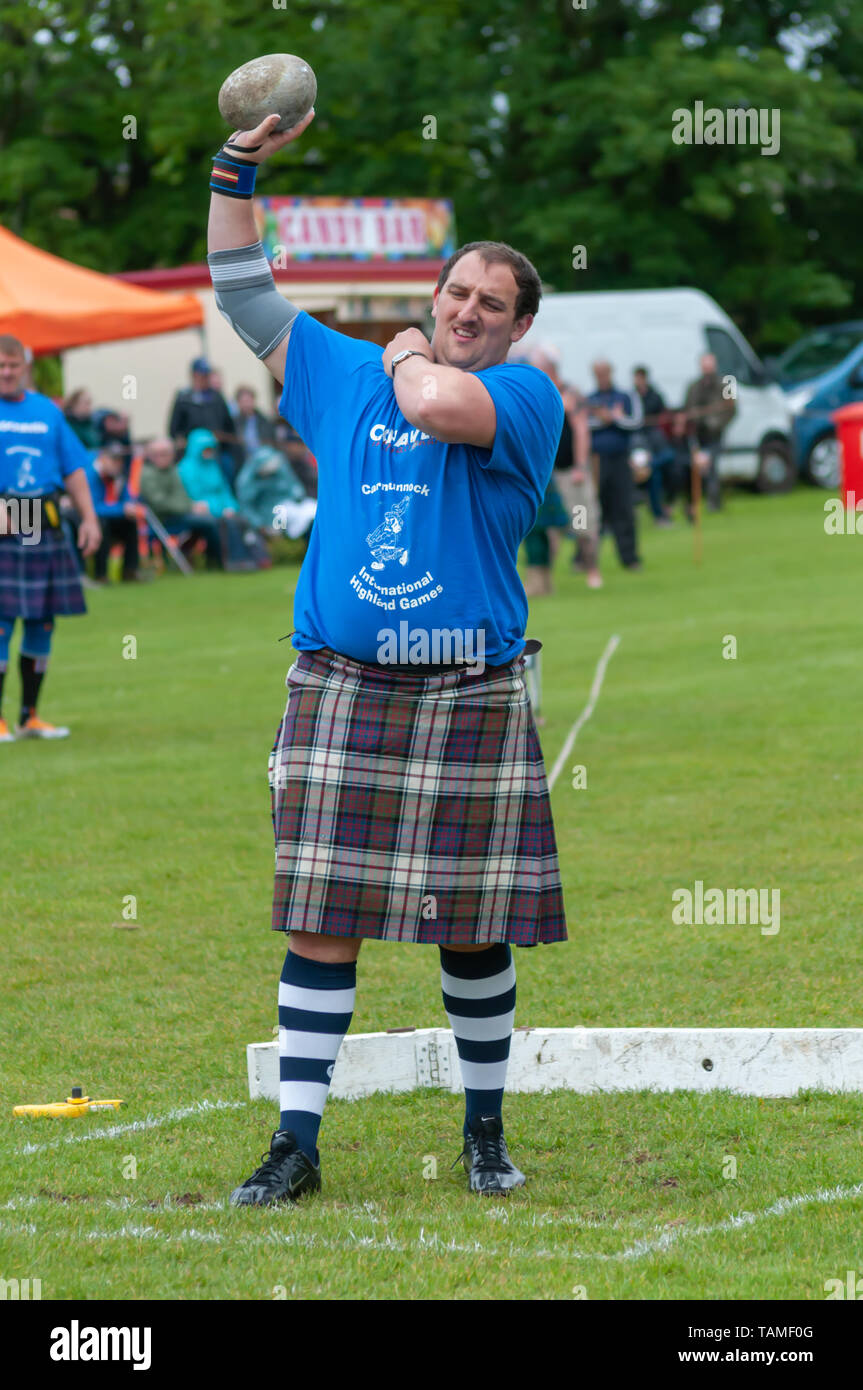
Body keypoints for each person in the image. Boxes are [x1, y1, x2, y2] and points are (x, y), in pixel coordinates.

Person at [207, 109, 567, 1204]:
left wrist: (405, 349)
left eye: (488, 305)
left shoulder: (517, 395)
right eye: (455, 292)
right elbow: (239, 286)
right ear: (435, 293)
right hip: (341, 682)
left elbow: (431, 398)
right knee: (320, 919)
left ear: (512, 329)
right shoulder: (336, 371)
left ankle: (484, 1132)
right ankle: (296, 1145)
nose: (466, 311)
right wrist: (238, 167)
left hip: (467, 688)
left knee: (473, 930)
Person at [0, 335, 100, 740]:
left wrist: (90, 519)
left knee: (42, 622)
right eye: (0, 366)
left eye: (13, 365)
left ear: (26, 366)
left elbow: (74, 468)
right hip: (5, 515)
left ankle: (30, 716)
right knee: (2, 623)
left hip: (43, 516)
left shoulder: (48, 412)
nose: (6, 372)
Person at [526, 345, 601, 592]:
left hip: (571, 472)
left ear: (548, 368)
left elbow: (581, 431)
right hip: (548, 475)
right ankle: (545, 581)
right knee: (549, 528)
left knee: (582, 525)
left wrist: (580, 466)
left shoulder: (570, 395)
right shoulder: (540, 395)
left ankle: (592, 570)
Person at [586, 360, 643, 570]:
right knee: (590, 509)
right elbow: (582, 424)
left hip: (620, 459)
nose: (602, 377)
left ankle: (630, 558)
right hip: (596, 461)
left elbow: (636, 421)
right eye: (597, 373)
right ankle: (585, 558)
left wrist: (613, 418)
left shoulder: (625, 396)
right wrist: (604, 419)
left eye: (604, 373)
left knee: (624, 508)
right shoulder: (590, 399)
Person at [137, 436, 223, 569]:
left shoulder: (173, 470)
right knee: (209, 522)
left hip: (178, 514)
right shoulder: (148, 474)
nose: (161, 458)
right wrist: (189, 507)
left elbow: (182, 495)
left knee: (212, 518)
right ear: (150, 456)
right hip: (162, 518)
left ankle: (190, 552)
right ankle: (215, 561)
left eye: (165, 454)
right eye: (157, 454)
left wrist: (193, 505)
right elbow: (160, 504)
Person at [681, 353, 737, 511]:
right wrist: (694, 417)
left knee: (711, 467)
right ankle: (696, 501)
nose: (707, 371)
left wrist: (716, 423)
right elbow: (688, 408)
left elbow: (732, 409)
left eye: (709, 367)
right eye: (704, 367)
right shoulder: (694, 387)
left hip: (716, 435)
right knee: (696, 467)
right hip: (698, 435)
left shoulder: (725, 384)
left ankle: (714, 501)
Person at [168, 357, 238, 481]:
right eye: (201, 375)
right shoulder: (183, 398)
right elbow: (174, 429)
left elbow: (229, 426)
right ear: (193, 375)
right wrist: (183, 441)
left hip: (217, 453)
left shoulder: (217, 397)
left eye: (207, 375)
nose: (205, 378)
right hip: (193, 456)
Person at [85, 442, 145, 583]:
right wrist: (122, 509)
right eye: (114, 459)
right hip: (88, 523)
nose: (118, 464)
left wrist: (131, 505)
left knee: (130, 522)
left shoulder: (119, 476)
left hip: (112, 520)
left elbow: (128, 498)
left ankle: (130, 571)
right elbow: (92, 507)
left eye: (120, 460)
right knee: (101, 523)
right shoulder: (89, 475)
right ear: (102, 458)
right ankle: (101, 575)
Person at [234, 445, 316, 540]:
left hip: (292, 505)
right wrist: (260, 525)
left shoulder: (279, 469)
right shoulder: (247, 480)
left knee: (315, 510)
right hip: (271, 514)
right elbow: (246, 506)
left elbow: (295, 487)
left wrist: (296, 497)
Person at [631, 366, 675, 526]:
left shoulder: (655, 397)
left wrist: (651, 463)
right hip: (637, 445)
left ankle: (662, 511)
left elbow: (664, 418)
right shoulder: (631, 397)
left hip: (654, 444)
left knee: (665, 465)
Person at [233, 385, 277, 459]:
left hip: (263, 455)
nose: (246, 404)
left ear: (253, 400)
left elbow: (271, 441)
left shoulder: (264, 420)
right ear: (238, 403)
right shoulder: (234, 422)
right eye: (243, 401)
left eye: (248, 401)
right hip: (244, 456)